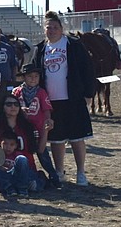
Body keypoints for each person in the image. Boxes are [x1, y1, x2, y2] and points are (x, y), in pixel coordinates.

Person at [34, 11, 95, 187]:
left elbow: (87, 70)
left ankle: (81, 172)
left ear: (61, 29)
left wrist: (88, 94)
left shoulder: (73, 45)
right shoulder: (40, 49)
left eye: (55, 27)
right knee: (56, 139)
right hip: (51, 102)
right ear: (44, 30)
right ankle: (59, 171)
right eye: (48, 27)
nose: (52, 30)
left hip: (73, 98)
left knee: (77, 137)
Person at [13, 63, 59, 186]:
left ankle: (53, 175)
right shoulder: (17, 92)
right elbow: (11, 106)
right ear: (24, 77)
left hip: (38, 129)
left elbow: (46, 109)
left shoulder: (41, 92)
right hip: (21, 129)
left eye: (36, 76)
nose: (33, 79)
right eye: (30, 76)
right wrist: (20, 110)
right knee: (20, 151)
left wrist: (48, 121)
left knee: (42, 154)